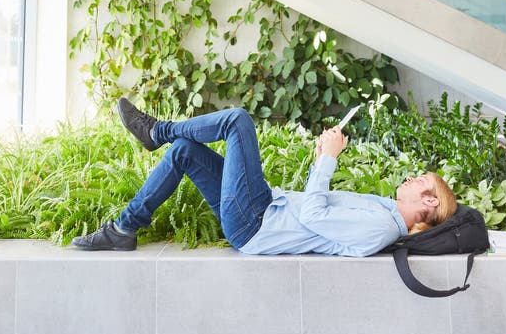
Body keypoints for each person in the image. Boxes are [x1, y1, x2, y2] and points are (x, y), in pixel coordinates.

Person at [72, 100, 458, 254]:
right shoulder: (382, 210)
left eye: (419, 181)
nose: (410, 179)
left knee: (238, 120)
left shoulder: (382, 229)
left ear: (429, 202)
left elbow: (312, 217)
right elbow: (316, 208)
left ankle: (156, 132)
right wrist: (320, 159)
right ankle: (124, 230)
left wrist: (329, 163)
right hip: (263, 207)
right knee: (186, 152)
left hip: (255, 222)